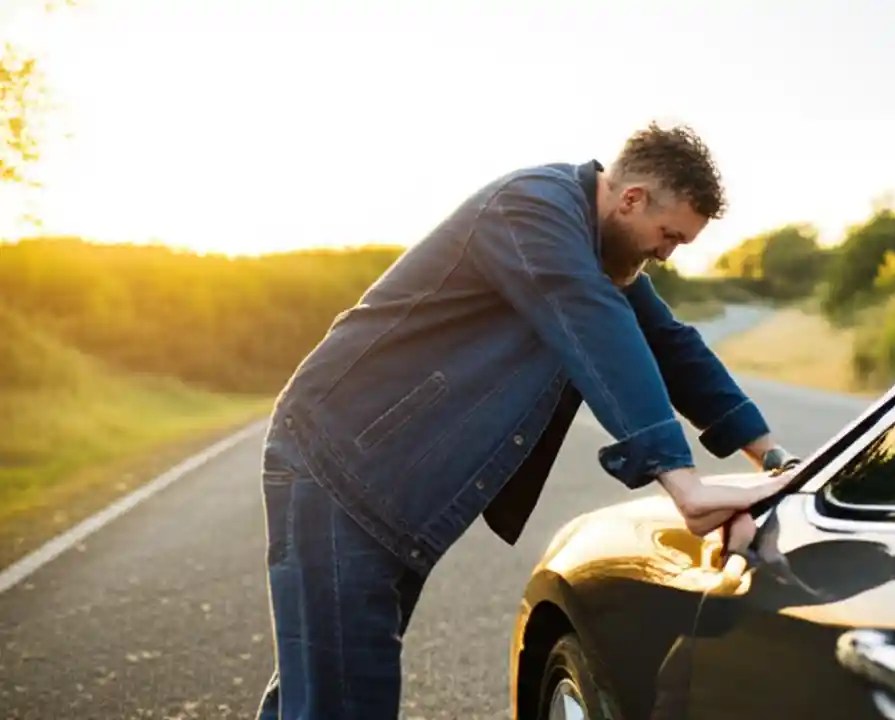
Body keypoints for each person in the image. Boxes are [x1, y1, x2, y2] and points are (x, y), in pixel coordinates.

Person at [255, 122, 800, 719]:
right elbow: (592, 323)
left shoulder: (601, 253)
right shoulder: (530, 211)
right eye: (668, 235)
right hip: (340, 466)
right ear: (631, 198)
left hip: (388, 486)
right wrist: (682, 480)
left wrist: (771, 455)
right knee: (342, 696)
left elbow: (671, 345)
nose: (667, 254)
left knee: (321, 688)